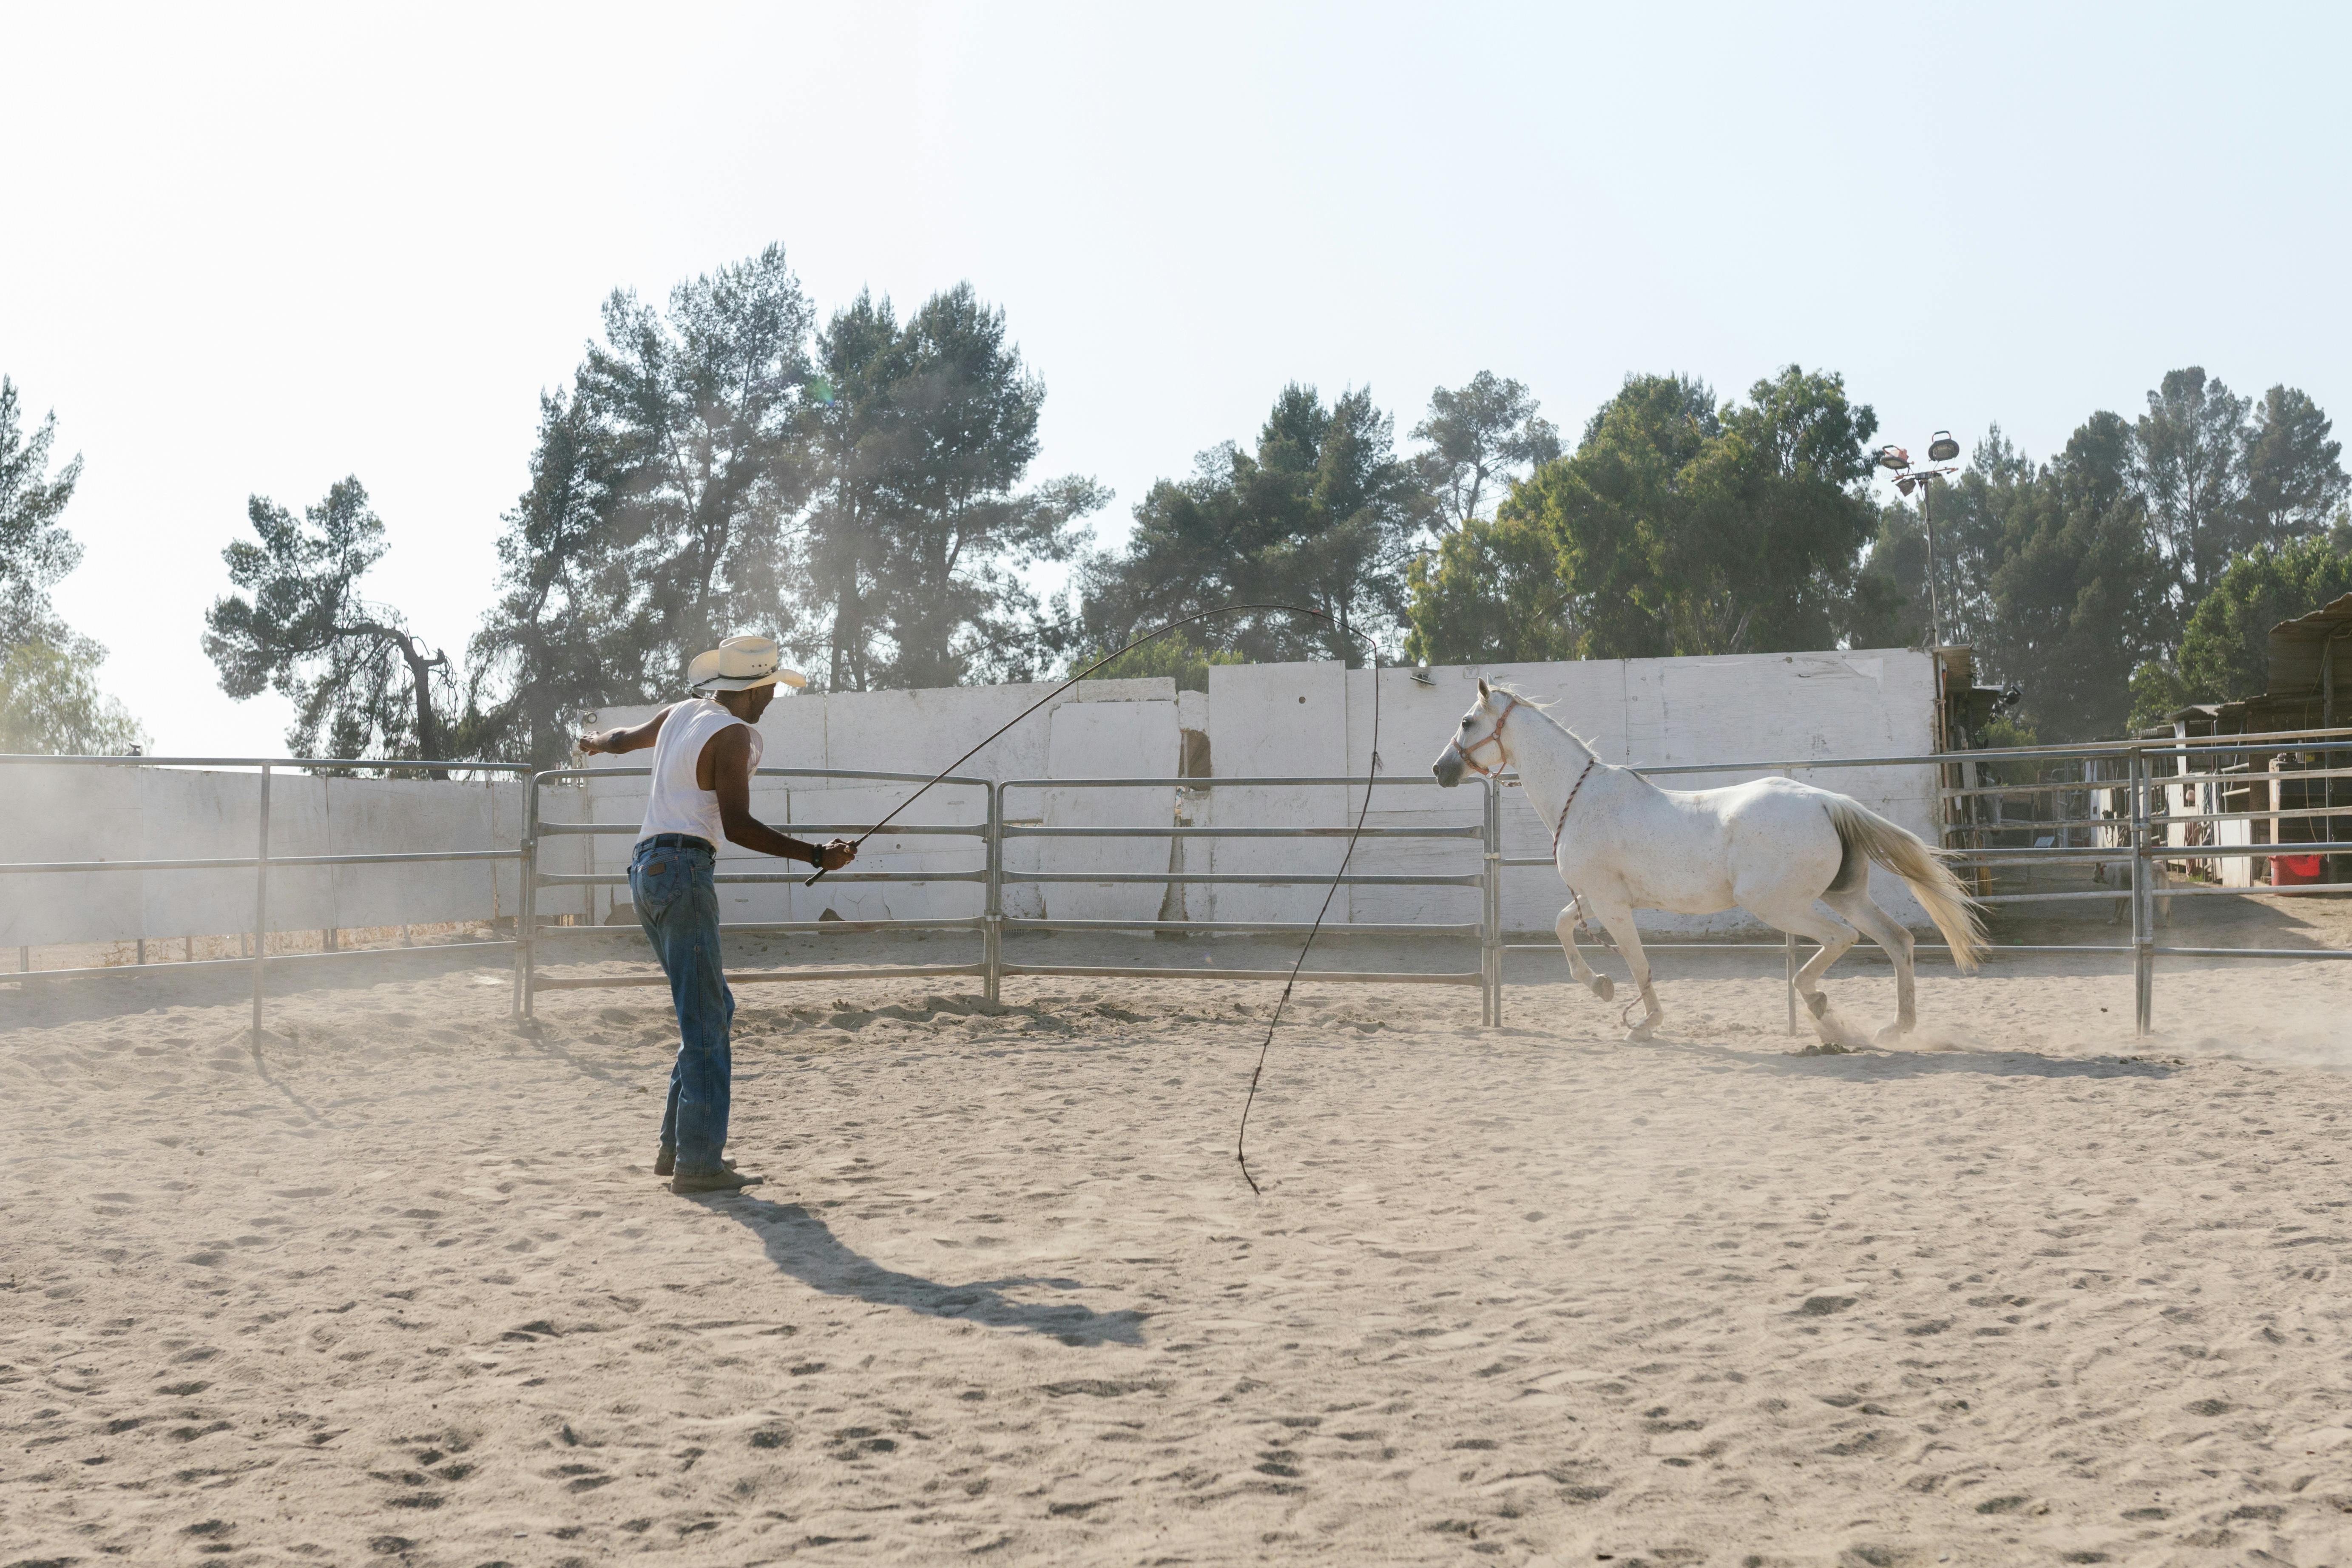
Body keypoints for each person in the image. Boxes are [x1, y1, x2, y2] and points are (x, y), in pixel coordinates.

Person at [579, 636, 856, 1195]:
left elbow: (624, 739)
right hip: (684, 872)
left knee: (708, 1008)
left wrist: (590, 743)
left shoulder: (683, 713)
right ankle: (699, 1162)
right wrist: (815, 855)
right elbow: (738, 826)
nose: (775, 694)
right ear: (753, 690)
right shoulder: (732, 737)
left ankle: (675, 1147)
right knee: (707, 1018)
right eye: (771, 686)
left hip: (646, 871)